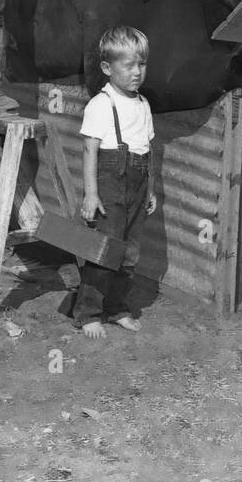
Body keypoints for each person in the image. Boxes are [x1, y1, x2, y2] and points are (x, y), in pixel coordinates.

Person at [74, 26, 158, 340]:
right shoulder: (101, 104)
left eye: (142, 64)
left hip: (137, 184)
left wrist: (150, 190)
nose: (137, 72)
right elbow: (89, 149)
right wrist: (91, 194)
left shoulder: (143, 104)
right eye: (129, 66)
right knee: (105, 250)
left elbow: (148, 150)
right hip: (109, 183)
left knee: (130, 252)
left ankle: (116, 306)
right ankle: (88, 313)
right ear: (108, 68)